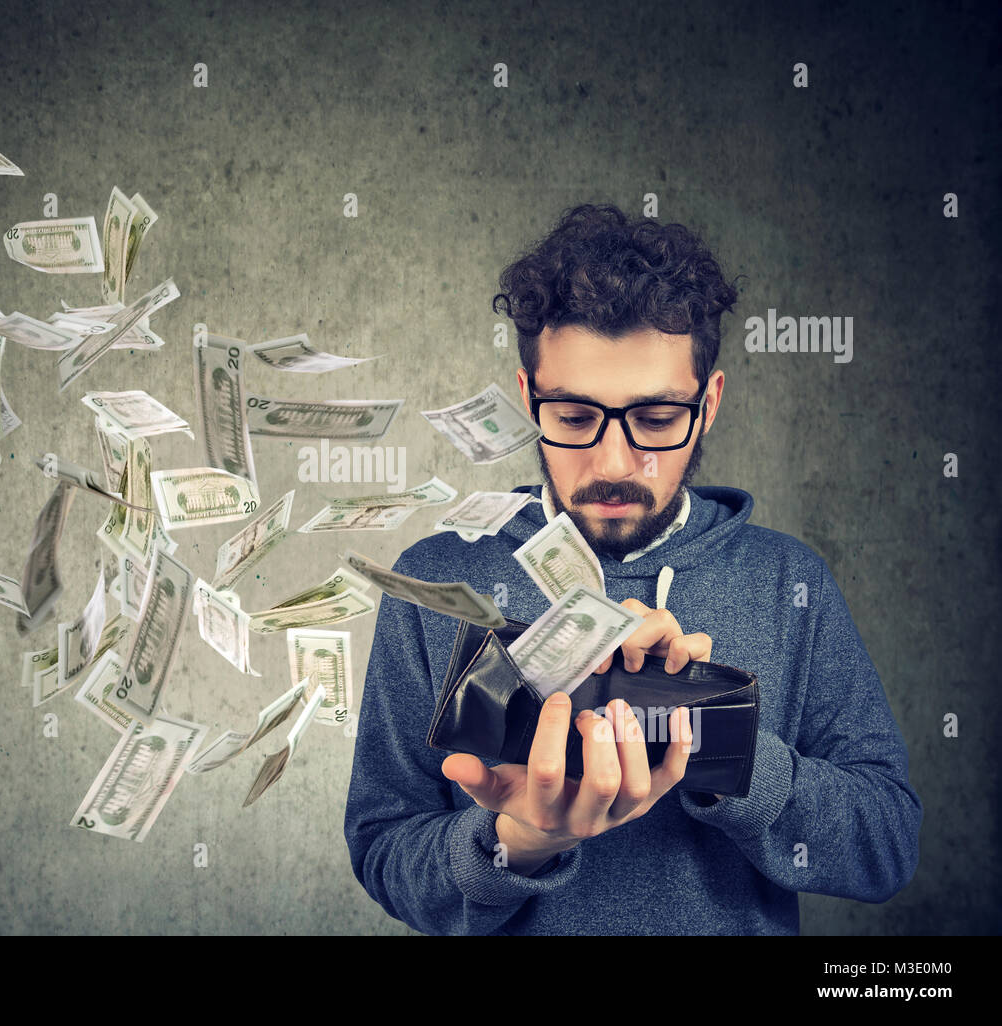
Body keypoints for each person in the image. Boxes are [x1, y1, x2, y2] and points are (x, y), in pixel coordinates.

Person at [343, 203, 922, 935]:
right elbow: (384, 849)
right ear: (528, 402)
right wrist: (514, 846)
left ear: (707, 405)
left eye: (654, 420)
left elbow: (887, 844)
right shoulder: (435, 582)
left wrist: (716, 737)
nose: (614, 463)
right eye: (576, 417)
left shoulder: (790, 584)